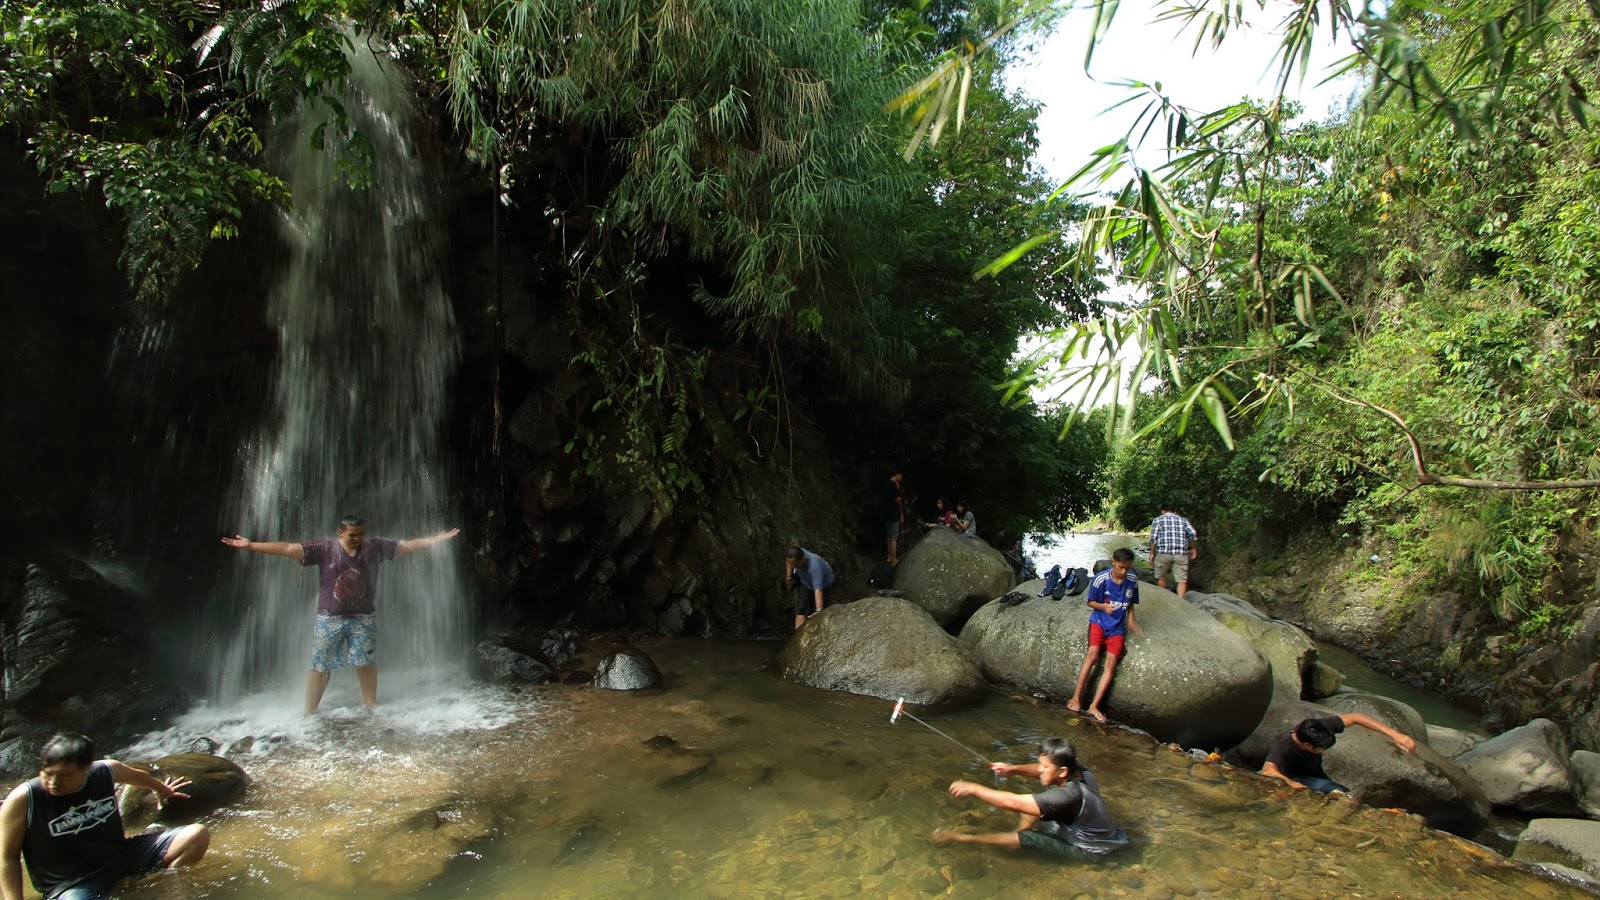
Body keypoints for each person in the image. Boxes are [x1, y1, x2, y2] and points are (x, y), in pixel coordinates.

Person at [222, 515, 460, 714]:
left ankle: (371, 704)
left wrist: (436, 540)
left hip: (363, 618)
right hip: (329, 619)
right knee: (320, 664)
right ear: (340, 533)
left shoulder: (374, 547)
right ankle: (309, 712)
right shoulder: (324, 549)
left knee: (366, 662)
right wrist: (251, 545)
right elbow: (287, 548)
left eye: (361, 534)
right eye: (352, 535)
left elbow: (405, 547)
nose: (358, 539)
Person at [0, 733, 211, 900]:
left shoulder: (105, 771)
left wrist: (161, 789)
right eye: (48, 773)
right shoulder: (24, 799)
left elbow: (137, 776)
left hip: (122, 858)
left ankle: (158, 881)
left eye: (64, 776)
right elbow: (7, 857)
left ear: (86, 769)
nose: (54, 782)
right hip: (72, 883)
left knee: (197, 835)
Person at [932, 737, 1128, 860]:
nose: (1039, 769)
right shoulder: (1080, 771)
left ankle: (961, 838)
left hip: (1091, 850)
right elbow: (1039, 771)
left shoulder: (1067, 796)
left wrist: (974, 788)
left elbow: (1013, 802)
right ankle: (1018, 835)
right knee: (1034, 799)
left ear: (1062, 771)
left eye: (1045, 766)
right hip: (1103, 834)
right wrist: (1013, 769)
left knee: (1026, 835)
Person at [1068, 548, 1144, 723]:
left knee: (1110, 663)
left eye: (1128, 568)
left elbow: (1132, 602)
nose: (1124, 571)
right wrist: (1104, 607)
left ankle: (1094, 706)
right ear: (1113, 563)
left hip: (1117, 628)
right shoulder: (1100, 579)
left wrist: (1131, 621)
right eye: (1121, 567)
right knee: (1093, 655)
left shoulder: (1132, 580)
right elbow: (1090, 602)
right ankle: (1076, 697)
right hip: (1099, 623)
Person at [1261, 714, 1417, 794]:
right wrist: (1289, 783)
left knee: (1344, 795)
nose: (1325, 750)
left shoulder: (1318, 728)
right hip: (1292, 778)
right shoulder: (1283, 745)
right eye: (1322, 748)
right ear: (1307, 745)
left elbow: (1357, 717)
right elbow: (1268, 770)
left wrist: (1395, 734)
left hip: (1314, 775)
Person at [1148, 505, 1198, 600]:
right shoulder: (1183, 520)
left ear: (1163, 511)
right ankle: (1181, 601)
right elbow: (1192, 534)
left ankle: (1164, 598)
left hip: (1163, 552)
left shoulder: (1158, 520)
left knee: (1160, 576)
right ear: (1175, 512)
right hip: (1181, 553)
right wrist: (1193, 548)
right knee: (1181, 579)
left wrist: (1152, 554)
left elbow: (1153, 539)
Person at [784, 546, 834, 631]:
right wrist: (789, 577)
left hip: (823, 585)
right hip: (806, 582)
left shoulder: (814, 568)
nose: (793, 566)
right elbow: (789, 561)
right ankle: (798, 638)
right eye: (792, 564)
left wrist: (819, 611)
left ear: (803, 559)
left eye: (795, 564)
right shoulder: (796, 554)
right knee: (801, 610)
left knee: (820, 612)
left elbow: (818, 591)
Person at [881, 471, 906, 565]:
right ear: (898, 474)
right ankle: (894, 559)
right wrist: (901, 513)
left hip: (885, 513)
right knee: (894, 536)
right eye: (901, 476)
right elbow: (898, 500)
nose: (901, 479)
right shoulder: (895, 485)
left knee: (889, 535)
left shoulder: (885, 484)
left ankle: (889, 556)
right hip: (893, 514)